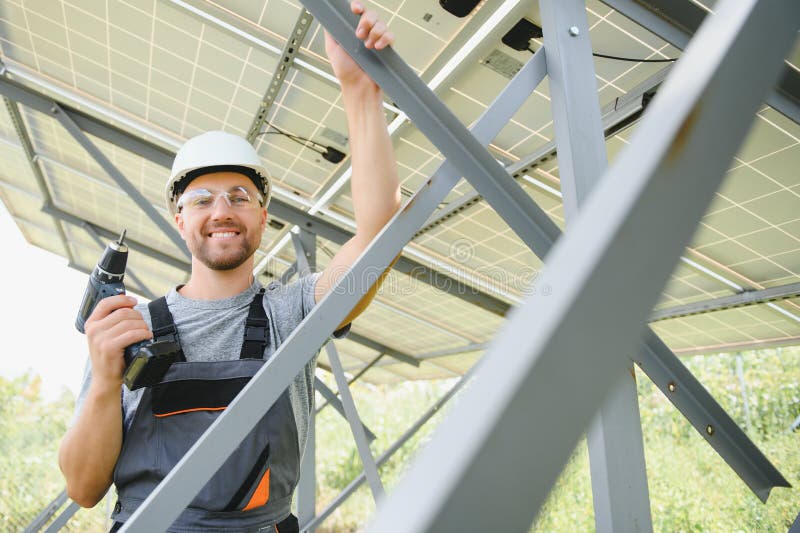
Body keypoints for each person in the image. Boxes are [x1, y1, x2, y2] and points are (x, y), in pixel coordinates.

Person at [58, 2, 400, 531]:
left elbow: (378, 236)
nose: (222, 211)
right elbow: (83, 489)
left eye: (239, 197)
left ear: (262, 217)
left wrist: (360, 91)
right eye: (202, 200)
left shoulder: (293, 313)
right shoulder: (129, 331)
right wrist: (105, 379)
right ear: (180, 220)